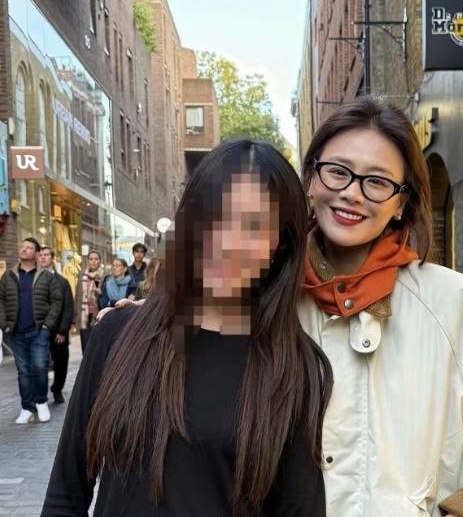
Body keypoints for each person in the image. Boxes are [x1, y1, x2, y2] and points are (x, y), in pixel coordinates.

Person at [299, 96, 463, 517]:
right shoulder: (271, 301)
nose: (351, 193)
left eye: (377, 181)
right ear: (312, 177)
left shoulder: (451, 302)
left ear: (401, 203)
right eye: (337, 171)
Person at [42, 139, 332, 517]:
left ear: (280, 246)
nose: (227, 242)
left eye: (254, 227)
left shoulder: (292, 367)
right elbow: (66, 493)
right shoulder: (117, 334)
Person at [0, 237, 62, 424]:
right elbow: (0, 300)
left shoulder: (46, 276)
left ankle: (41, 402)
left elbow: (56, 300)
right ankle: (27, 407)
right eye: (22, 246)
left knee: (39, 367)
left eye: (28, 247)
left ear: (36, 253)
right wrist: (5, 324)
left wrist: (47, 325)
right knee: (23, 371)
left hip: (38, 331)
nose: (24, 249)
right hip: (16, 332)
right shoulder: (9, 275)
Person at [38, 247, 75, 404]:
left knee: (60, 362)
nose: (43, 257)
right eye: (40, 255)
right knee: (39, 363)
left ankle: (57, 389)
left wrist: (62, 330)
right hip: (38, 329)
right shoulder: (34, 279)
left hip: (58, 329)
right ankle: (39, 393)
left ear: (52, 258)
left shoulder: (62, 281)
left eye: (46, 255)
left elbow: (68, 306)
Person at [75, 250, 105, 352]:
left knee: (98, 348)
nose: (93, 261)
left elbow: (107, 297)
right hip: (84, 316)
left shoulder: (105, 276)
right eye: (91, 259)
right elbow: (78, 297)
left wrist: (100, 293)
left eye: (96, 259)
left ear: (100, 260)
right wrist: (76, 317)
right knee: (86, 347)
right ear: (87, 261)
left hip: (98, 316)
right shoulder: (82, 276)